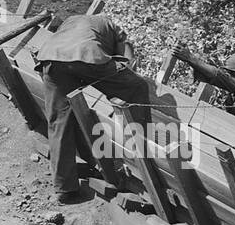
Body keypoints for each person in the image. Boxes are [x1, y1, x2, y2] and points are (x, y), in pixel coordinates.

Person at [30, 13, 152, 204]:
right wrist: (126, 72)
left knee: (59, 121)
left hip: (51, 58)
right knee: (138, 86)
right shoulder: (113, 27)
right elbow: (125, 56)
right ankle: (142, 148)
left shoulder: (72, 19)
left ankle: (64, 189)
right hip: (86, 54)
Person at [172, 47, 235, 121]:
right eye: (229, 73)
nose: (230, 75)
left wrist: (192, 58)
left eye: (233, 73)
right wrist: (194, 65)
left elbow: (225, 80)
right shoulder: (233, 95)